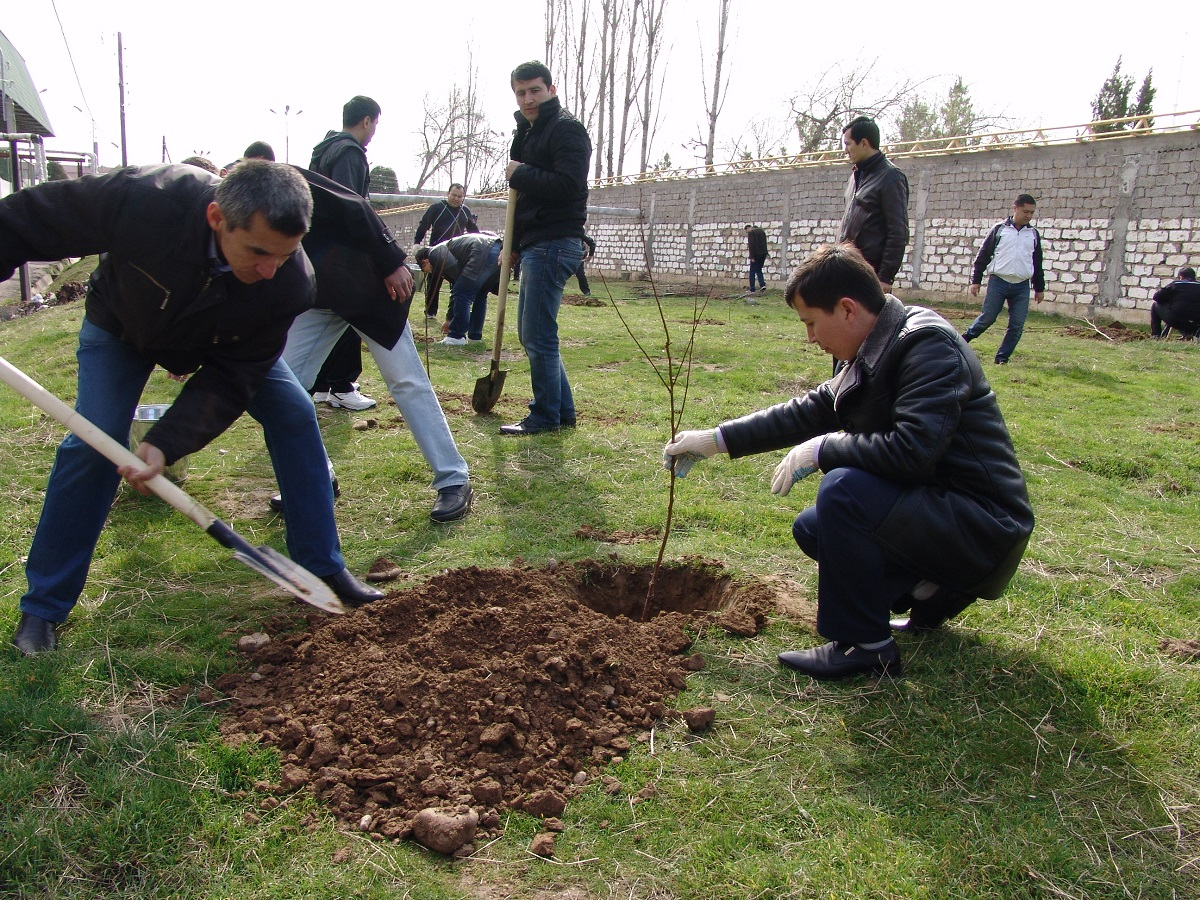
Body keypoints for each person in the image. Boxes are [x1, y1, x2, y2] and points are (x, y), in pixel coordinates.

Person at [0, 161, 387, 655]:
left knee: (293, 413)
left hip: (225, 341)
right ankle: (43, 608)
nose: (270, 268)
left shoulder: (289, 283)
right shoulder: (144, 200)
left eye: (285, 254)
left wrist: (166, 443)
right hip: (124, 325)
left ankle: (322, 565)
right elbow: (26, 220)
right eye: (258, 251)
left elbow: (233, 379)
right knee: (93, 443)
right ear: (215, 217)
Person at [663, 244, 1034, 681]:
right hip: (944, 515)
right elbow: (813, 408)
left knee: (843, 490)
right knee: (815, 527)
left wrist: (823, 449)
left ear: (846, 309)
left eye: (811, 323)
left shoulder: (927, 346)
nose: (811, 338)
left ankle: (865, 645)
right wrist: (716, 440)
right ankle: (928, 589)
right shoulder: (876, 347)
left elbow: (913, 451)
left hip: (985, 529)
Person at [276, 167, 474, 524]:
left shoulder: (278, 179)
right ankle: (315, 476)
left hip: (368, 287)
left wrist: (389, 261)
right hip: (320, 298)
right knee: (281, 387)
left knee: (406, 381)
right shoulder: (225, 218)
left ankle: (453, 478)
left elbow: (354, 204)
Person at [501, 60, 592, 436]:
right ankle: (562, 410)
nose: (528, 99)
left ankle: (544, 415)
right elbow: (525, 202)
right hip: (537, 243)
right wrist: (516, 245)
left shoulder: (566, 129)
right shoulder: (526, 133)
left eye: (535, 90)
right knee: (534, 334)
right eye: (521, 92)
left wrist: (519, 172)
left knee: (538, 335)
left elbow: (569, 184)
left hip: (556, 242)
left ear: (551, 90)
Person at [305, 95, 382, 412]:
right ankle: (342, 384)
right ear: (366, 121)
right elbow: (350, 204)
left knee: (326, 316)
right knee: (350, 314)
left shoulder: (325, 149)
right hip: (341, 252)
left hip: (320, 249)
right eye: (375, 124)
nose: (374, 130)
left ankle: (324, 384)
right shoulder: (349, 154)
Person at [963, 194, 1046, 364]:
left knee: (1016, 325)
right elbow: (983, 255)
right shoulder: (999, 230)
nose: (1028, 216)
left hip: (1021, 286)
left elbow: (1037, 263)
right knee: (988, 317)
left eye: (1031, 213)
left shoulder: (1033, 234)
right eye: (1025, 211)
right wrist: (976, 280)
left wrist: (1039, 288)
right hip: (998, 282)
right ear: (1015, 208)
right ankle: (963, 340)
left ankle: (1002, 358)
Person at [837, 116, 909, 292]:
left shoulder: (891, 178)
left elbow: (898, 231)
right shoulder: (855, 176)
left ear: (863, 143)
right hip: (847, 266)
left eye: (848, 144)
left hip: (871, 272)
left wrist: (885, 276)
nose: (845, 150)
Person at [414, 233, 503, 345]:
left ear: (424, 262)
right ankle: (475, 336)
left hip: (481, 250)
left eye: (426, 270)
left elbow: (458, 280)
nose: (431, 272)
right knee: (480, 295)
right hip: (497, 249)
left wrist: (449, 320)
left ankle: (456, 336)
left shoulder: (435, 253)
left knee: (462, 293)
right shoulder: (447, 247)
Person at [413, 184, 480, 319]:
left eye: (459, 196)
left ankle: (453, 313)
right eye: (453, 195)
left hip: (456, 252)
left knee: (457, 282)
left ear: (463, 198)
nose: (456, 199)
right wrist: (417, 242)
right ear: (447, 194)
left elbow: (473, 231)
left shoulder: (465, 211)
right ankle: (430, 312)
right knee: (434, 282)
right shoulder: (436, 207)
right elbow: (423, 225)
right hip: (437, 250)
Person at [1150, 267, 1200, 339]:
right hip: (1197, 323)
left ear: (1181, 277)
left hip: (1176, 320)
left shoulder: (1176, 284)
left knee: (1155, 305)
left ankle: (1155, 335)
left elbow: (1156, 297)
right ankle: (1189, 334)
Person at [745, 224, 767, 294]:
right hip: (763, 254)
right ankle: (762, 285)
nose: (747, 233)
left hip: (756, 255)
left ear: (748, 228)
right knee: (758, 269)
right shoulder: (762, 231)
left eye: (746, 231)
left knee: (752, 271)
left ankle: (752, 289)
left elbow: (751, 245)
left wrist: (751, 257)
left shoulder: (751, 233)